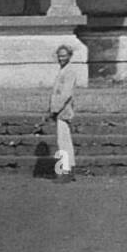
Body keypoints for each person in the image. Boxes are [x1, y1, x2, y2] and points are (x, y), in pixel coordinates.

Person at [48, 45, 77, 181]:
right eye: (59, 55)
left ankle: (65, 171)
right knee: (64, 141)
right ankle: (68, 170)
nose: (61, 58)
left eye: (64, 55)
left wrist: (54, 109)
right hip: (60, 110)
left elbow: (66, 94)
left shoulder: (69, 71)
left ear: (69, 56)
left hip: (63, 110)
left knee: (63, 142)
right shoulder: (63, 70)